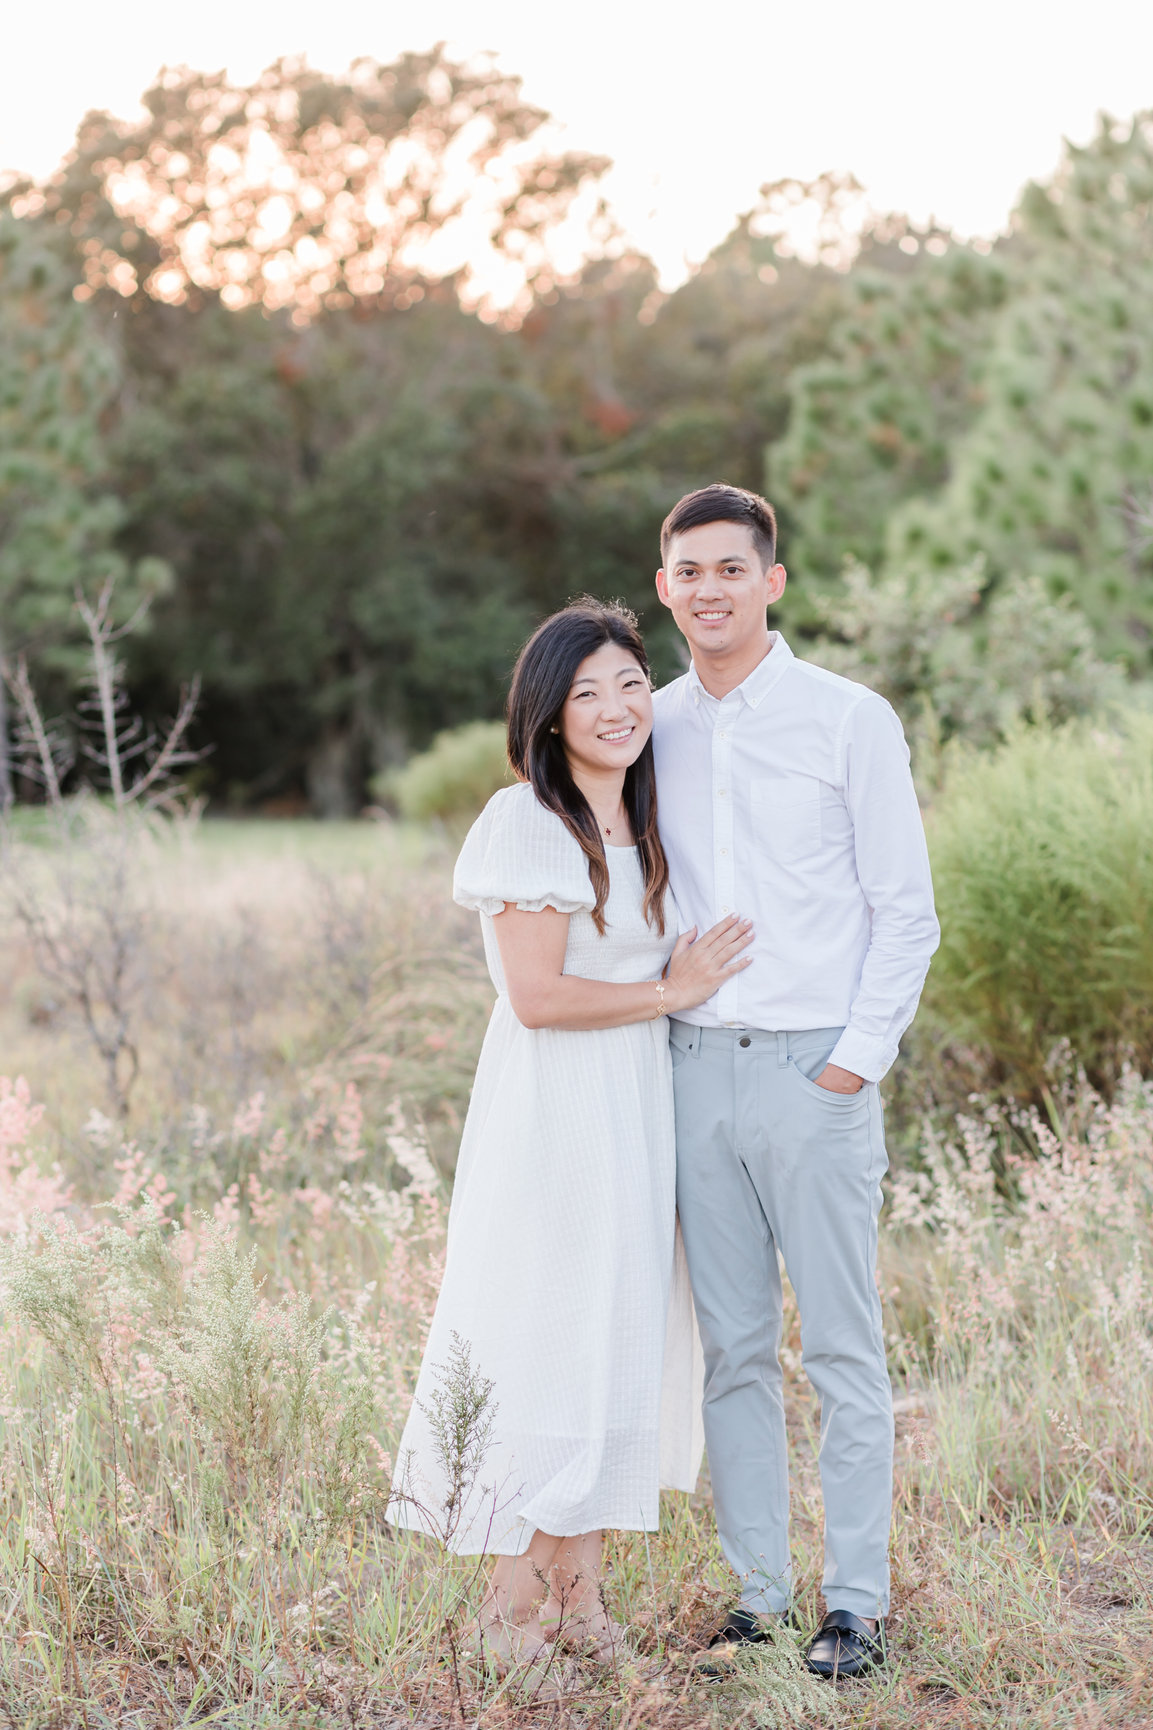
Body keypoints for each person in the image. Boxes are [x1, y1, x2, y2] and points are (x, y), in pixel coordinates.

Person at [388, 598, 751, 1668]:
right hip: (555, 1119)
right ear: (548, 714)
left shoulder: (645, 822)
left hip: (635, 1110)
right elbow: (537, 997)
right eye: (586, 691)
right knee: (550, 1347)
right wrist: (672, 989)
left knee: (615, 1345)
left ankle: (580, 1606)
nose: (616, 706)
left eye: (631, 683)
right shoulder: (527, 823)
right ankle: (506, 1619)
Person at [651, 483, 940, 1681]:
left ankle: (855, 1603)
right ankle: (760, 1597)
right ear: (664, 588)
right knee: (730, 1350)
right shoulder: (646, 723)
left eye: (732, 567)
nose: (709, 588)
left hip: (812, 1069)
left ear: (771, 580)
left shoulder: (847, 717)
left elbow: (905, 910)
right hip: (690, 1071)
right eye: (688, 570)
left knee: (840, 1349)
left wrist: (848, 1066)